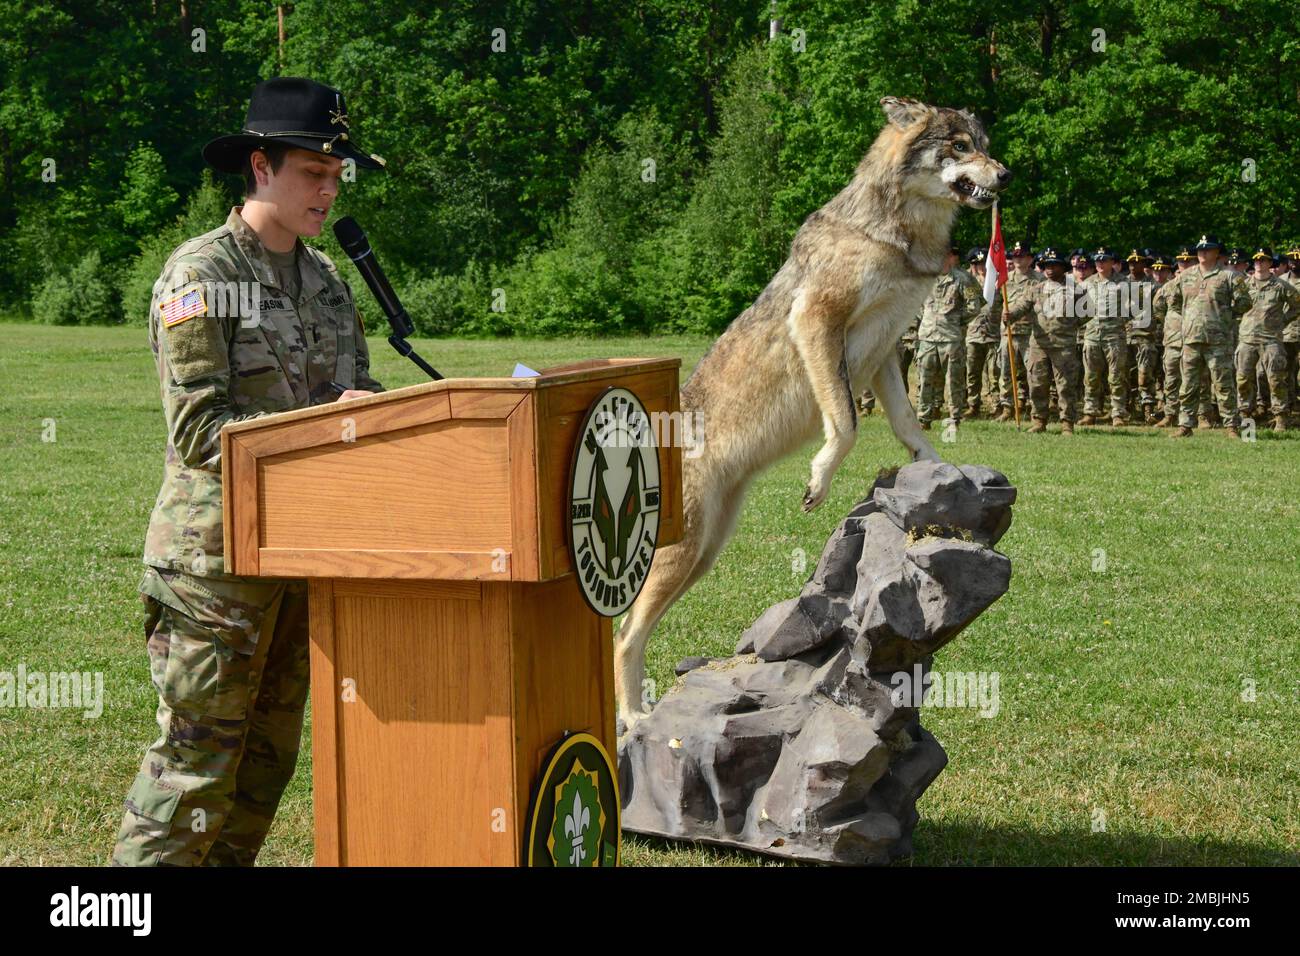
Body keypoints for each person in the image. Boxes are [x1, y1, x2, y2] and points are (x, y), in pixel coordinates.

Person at [111, 77, 387, 866]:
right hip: (214, 575)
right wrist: (331, 423)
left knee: (264, 772)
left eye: (337, 177)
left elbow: (357, 398)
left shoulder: (329, 281)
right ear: (260, 167)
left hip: (300, 565)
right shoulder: (199, 276)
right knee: (195, 773)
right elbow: (201, 430)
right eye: (312, 173)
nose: (328, 191)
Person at [1154, 234, 1251, 439]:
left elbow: (1244, 302)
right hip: (1190, 339)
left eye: (1207, 249)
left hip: (1218, 340)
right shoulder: (1185, 276)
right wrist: (1186, 317)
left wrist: (1224, 316)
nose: (1203, 253)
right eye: (1200, 250)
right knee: (1188, 384)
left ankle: (1232, 426)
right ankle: (1185, 425)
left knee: (1223, 384)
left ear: (1217, 252)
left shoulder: (1229, 276)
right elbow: (1168, 300)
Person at [916, 246, 983, 429]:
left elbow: (974, 306)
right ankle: (924, 418)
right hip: (928, 337)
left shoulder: (963, 279)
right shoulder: (925, 279)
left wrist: (955, 321)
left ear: (951, 257)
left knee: (953, 381)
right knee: (924, 380)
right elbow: (917, 304)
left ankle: (954, 418)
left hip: (951, 338)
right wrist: (928, 320)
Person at [1237, 247, 1298, 431]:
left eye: (1263, 260)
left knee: (1276, 380)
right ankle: (1246, 418)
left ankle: (1280, 418)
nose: (1259, 263)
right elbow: (1233, 306)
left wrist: (1282, 321)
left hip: (1271, 340)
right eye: (1256, 260)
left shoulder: (1280, 285)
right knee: (1243, 379)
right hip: (1247, 339)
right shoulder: (1244, 285)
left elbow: (1296, 305)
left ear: (1270, 263)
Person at [1025, 247, 1079, 434]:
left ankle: (1067, 423)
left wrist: (1068, 325)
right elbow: (1022, 306)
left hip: (1063, 345)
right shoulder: (1036, 289)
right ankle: (1039, 421)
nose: (1049, 269)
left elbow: (1088, 311)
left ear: (1063, 268)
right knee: (1037, 384)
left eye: (1053, 265)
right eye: (1046, 266)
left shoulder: (1074, 290)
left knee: (1065, 386)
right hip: (1039, 344)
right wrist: (1010, 315)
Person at [1079, 247, 1130, 426]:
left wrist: (1121, 321)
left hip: (1114, 336)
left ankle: (1117, 413)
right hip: (1092, 334)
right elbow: (1078, 308)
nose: (1100, 263)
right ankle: (1090, 412)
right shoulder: (1087, 283)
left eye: (1104, 260)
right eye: (1098, 260)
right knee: (1091, 376)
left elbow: (1135, 307)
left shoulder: (1124, 282)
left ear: (1112, 262)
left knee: (1116, 376)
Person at [993, 241, 1037, 421]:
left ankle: (1035, 408)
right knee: (1005, 372)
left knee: (1033, 372)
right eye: (1015, 256)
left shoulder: (1038, 280)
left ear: (1030, 258)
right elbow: (995, 305)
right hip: (1008, 332)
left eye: (1022, 256)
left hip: (1030, 333)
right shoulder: (1004, 279)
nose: (1018, 259)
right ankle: (1007, 407)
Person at [1124, 248, 1160, 423]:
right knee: (1125, 375)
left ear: (1144, 264)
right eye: (1131, 262)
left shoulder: (1153, 286)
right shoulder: (1121, 284)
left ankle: (1149, 412)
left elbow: (1159, 312)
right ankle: (1128, 411)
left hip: (1146, 336)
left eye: (1137, 262)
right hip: (1125, 336)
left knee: (1146, 374)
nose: (1133, 266)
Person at [964, 247, 998, 418]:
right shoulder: (967, 282)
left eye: (983, 264)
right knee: (973, 372)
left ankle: (996, 405)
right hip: (973, 333)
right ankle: (973, 404)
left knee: (995, 372)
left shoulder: (996, 280)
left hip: (994, 332)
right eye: (976, 264)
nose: (981, 268)